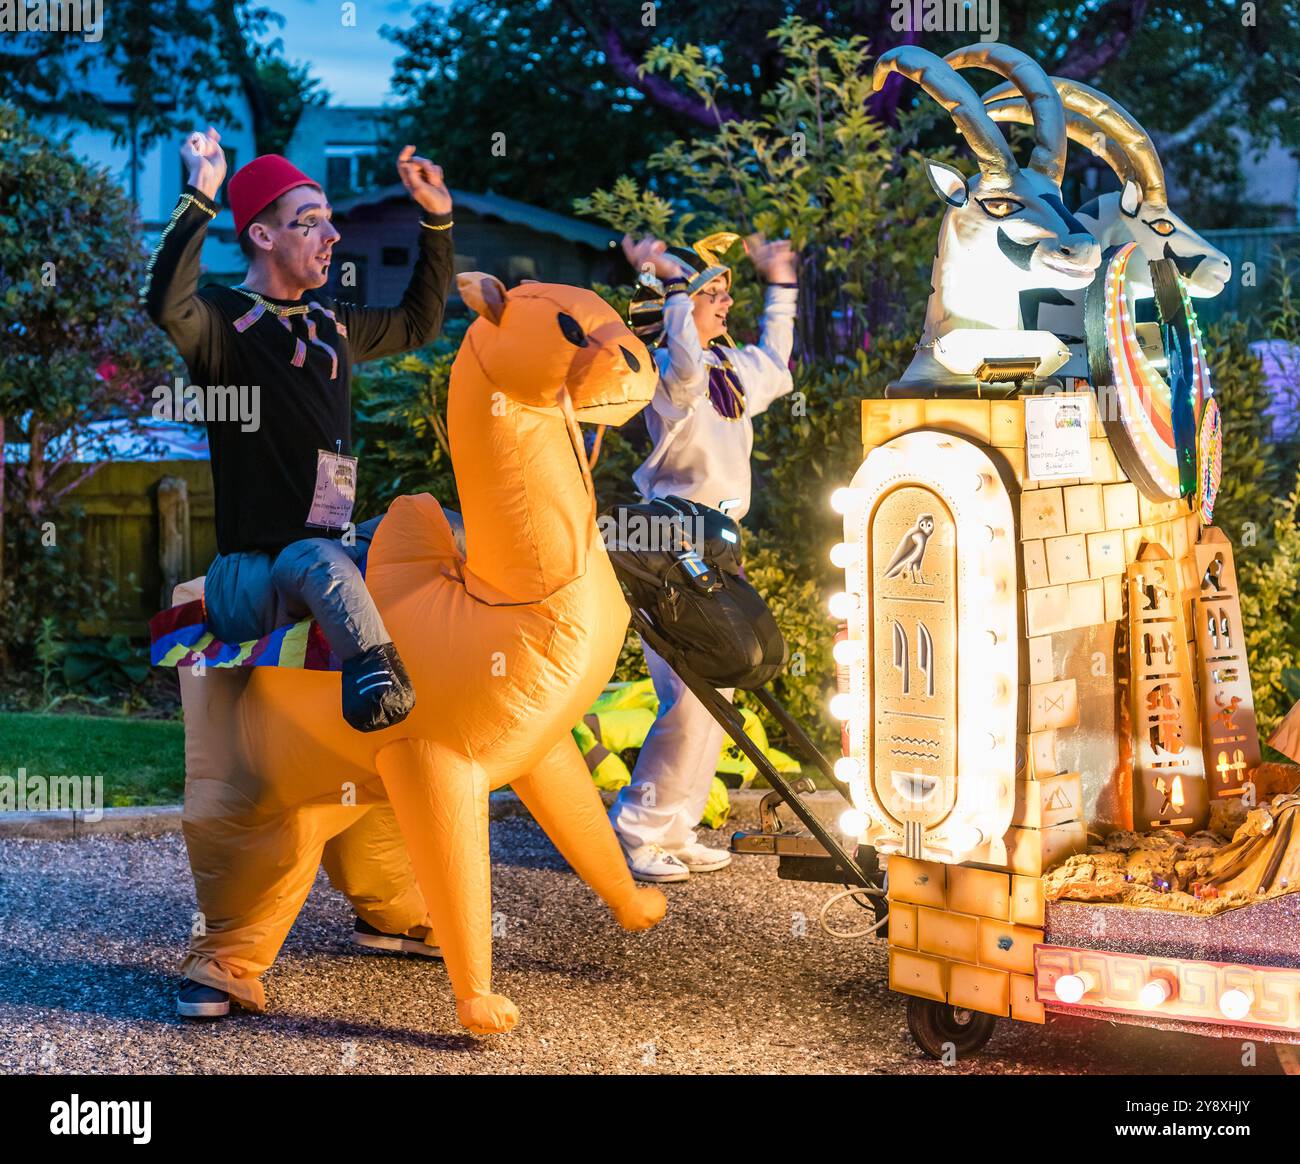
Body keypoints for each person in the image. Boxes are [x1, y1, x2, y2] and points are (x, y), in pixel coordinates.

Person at [142, 127, 455, 733]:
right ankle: (376, 689)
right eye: (309, 222)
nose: (332, 236)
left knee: (429, 522)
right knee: (317, 560)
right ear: (262, 235)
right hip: (253, 576)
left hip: (332, 549)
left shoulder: (331, 323)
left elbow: (419, 324)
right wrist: (202, 192)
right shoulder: (222, 322)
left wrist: (437, 221)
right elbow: (166, 305)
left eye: (329, 220)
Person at [609, 230, 799, 882]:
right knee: (688, 696)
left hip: (717, 541)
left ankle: (675, 828)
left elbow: (779, 360)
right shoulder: (668, 374)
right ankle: (638, 828)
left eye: (725, 294)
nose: (724, 305)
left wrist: (781, 282)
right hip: (667, 541)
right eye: (711, 296)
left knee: (716, 696)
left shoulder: (734, 369)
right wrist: (671, 289)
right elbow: (686, 364)